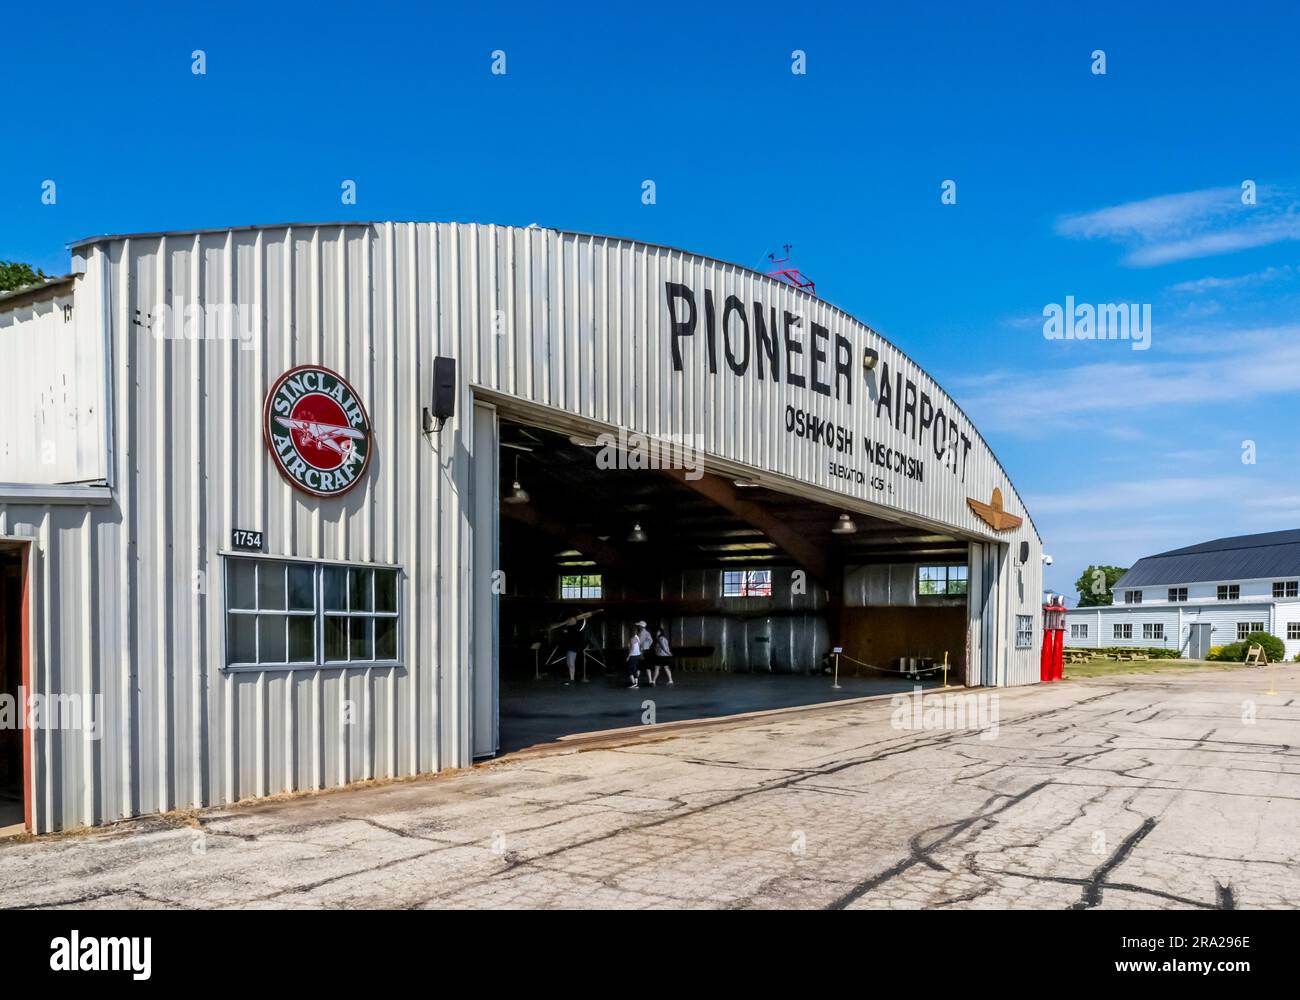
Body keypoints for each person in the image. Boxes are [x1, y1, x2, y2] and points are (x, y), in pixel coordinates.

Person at [560, 618, 589, 686]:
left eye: (570, 620)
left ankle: (572, 680)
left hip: (572, 649)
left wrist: (565, 632)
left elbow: (570, 638)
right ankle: (571, 678)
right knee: (569, 664)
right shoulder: (574, 629)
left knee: (571, 664)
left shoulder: (573, 629)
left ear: (573, 622)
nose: (568, 621)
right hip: (571, 649)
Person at [626, 623, 645, 689]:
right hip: (637, 655)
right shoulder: (637, 637)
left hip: (633, 655)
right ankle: (634, 683)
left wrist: (628, 656)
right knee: (633, 669)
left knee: (631, 669)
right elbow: (639, 646)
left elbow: (632, 648)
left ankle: (635, 683)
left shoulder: (633, 638)